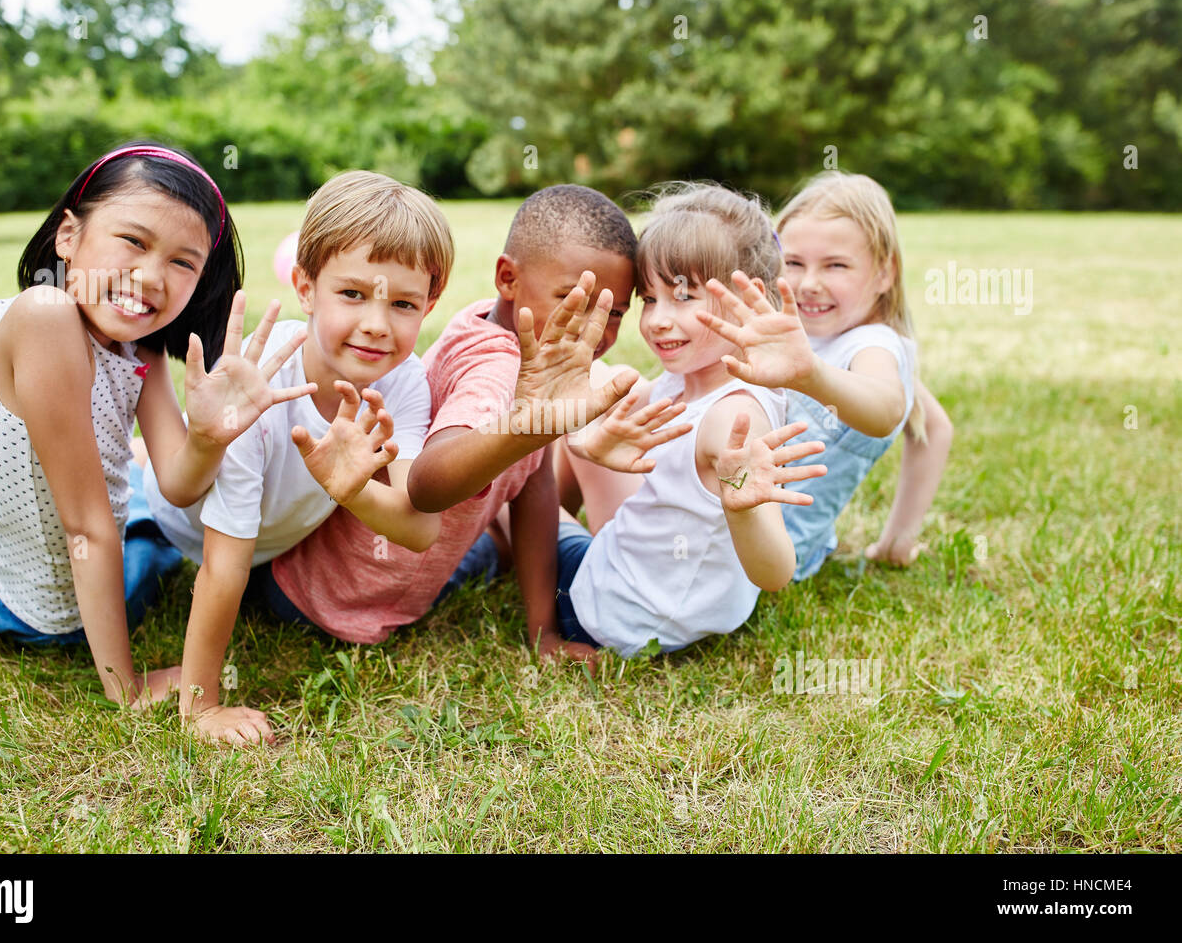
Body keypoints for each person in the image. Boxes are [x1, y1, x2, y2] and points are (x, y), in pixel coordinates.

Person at [0, 142, 314, 707]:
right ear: (68, 237)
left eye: (183, 262)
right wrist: (126, 688)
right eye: (133, 241)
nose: (152, 275)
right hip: (20, 594)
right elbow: (85, 528)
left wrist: (207, 437)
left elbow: (180, 484)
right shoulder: (45, 315)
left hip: (92, 555)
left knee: (149, 521)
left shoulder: (141, 349)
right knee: (143, 536)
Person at [266, 185, 637, 672]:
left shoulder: (489, 321)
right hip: (329, 604)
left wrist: (542, 630)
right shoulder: (498, 373)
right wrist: (530, 429)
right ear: (508, 277)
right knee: (511, 552)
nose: (594, 329)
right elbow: (427, 484)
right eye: (572, 300)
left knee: (504, 536)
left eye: (613, 314)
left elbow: (535, 482)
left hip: (355, 580)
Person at [145, 170, 453, 746]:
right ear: (306, 287)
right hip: (172, 523)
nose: (376, 325)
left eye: (404, 303)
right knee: (141, 579)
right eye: (352, 294)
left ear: (430, 304)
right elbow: (221, 563)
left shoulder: (406, 382)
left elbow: (418, 529)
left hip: (273, 544)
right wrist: (201, 707)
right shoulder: (261, 387)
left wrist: (354, 488)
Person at [554, 182, 827, 658]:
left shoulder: (733, 418)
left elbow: (776, 572)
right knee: (605, 386)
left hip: (609, 614)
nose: (658, 319)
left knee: (505, 498)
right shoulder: (696, 381)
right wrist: (591, 446)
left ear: (747, 298)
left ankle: (499, 542)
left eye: (683, 297)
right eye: (649, 298)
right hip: (667, 603)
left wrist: (742, 510)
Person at [696, 171, 952, 579]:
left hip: (767, 553)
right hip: (723, 514)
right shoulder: (797, 331)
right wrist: (897, 545)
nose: (809, 283)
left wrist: (811, 375)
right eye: (794, 263)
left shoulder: (873, 346)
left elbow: (887, 407)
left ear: (885, 273)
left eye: (836, 265)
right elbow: (934, 429)